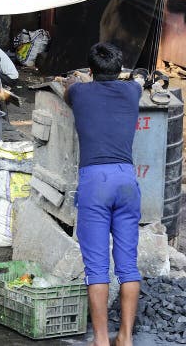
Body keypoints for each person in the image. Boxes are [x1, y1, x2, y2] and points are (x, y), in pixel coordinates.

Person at [64, 42, 142, 346]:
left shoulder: (80, 93)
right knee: (128, 266)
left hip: (95, 182)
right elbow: (136, 81)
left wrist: (79, 76)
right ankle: (125, 337)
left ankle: (100, 339)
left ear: (92, 70)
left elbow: (69, 85)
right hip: (126, 180)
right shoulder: (132, 91)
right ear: (119, 69)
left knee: (97, 268)